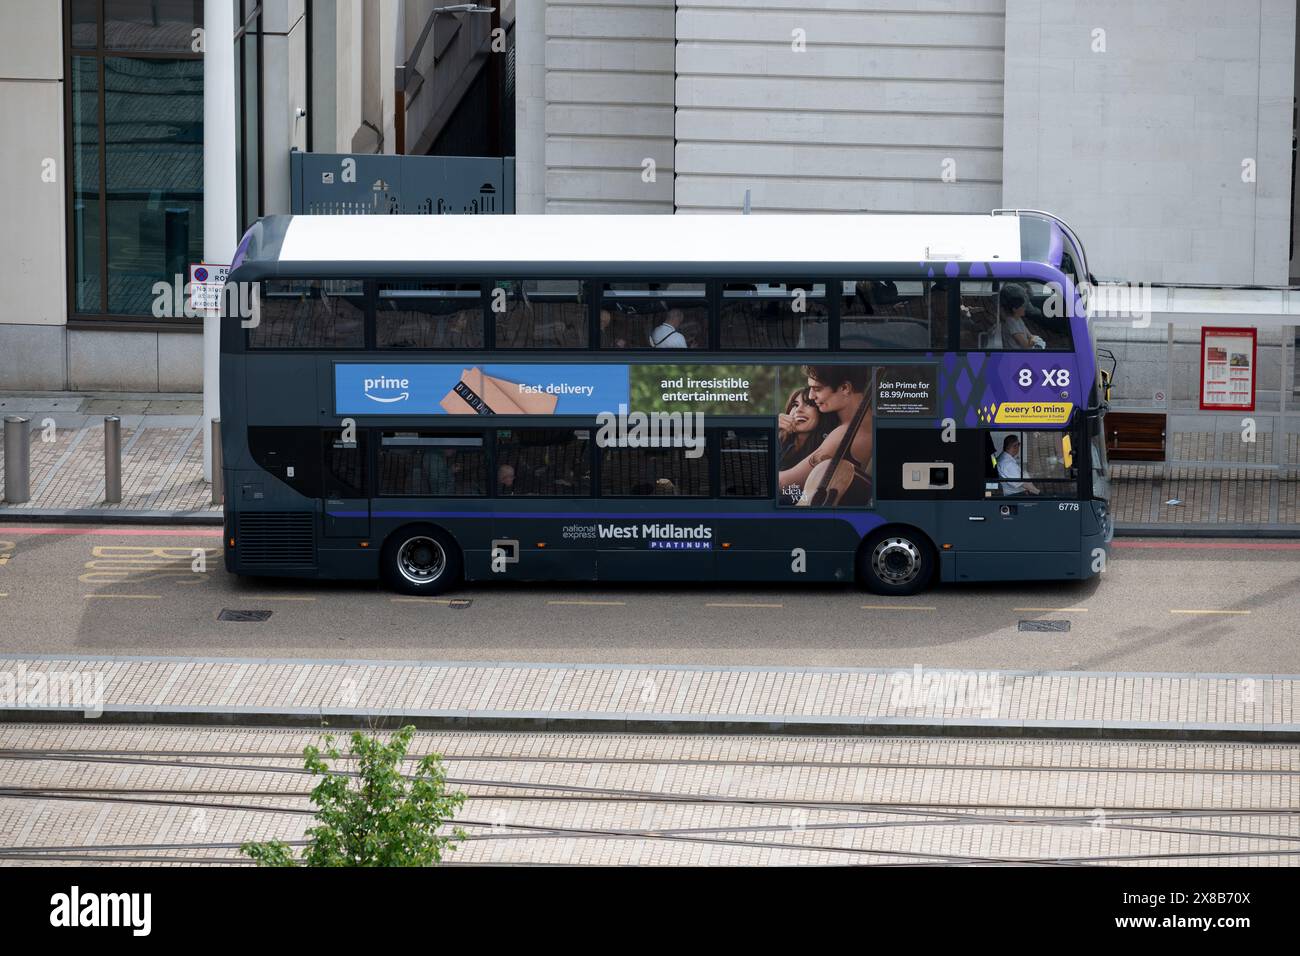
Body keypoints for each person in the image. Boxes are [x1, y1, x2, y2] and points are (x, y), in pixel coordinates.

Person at [778, 366, 873, 505]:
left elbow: (785, 482)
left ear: (845, 388)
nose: (811, 396)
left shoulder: (845, 434)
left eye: (817, 389)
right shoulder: (859, 423)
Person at [998, 283, 1046, 350]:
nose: (1025, 308)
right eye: (1022, 307)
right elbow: (1026, 345)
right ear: (1015, 309)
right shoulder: (1011, 323)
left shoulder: (1018, 319)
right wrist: (1035, 340)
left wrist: (1033, 339)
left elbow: (1030, 336)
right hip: (1016, 357)